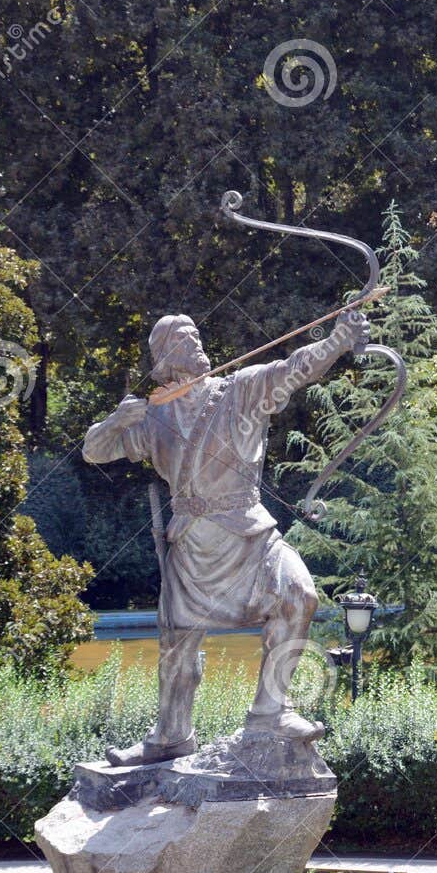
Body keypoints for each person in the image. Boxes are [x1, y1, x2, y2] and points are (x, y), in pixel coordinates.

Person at [83, 309, 368, 766]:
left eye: (195, 336)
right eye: (181, 340)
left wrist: (337, 341)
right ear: (162, 360)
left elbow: (294, 368)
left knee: (300, 596)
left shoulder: (240, 391)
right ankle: (171, 736)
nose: (194, 344)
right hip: (192, 543)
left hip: (248, 531)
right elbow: (94, 451)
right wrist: (117, 421)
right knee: (178, 646)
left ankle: (271, 711)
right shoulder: (153, 419)